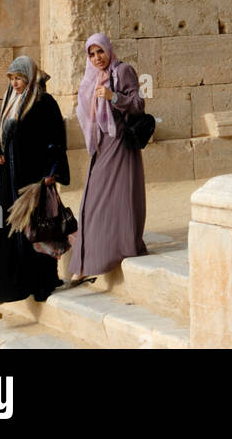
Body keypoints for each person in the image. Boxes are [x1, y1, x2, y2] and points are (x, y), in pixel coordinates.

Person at [0, 56, 68, 316]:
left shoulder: (44, 103)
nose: (15, 83)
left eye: (19, 78)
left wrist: (51, 173)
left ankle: (40, 283)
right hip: (7, 182)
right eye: (11, 78)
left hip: (32, 183)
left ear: (30, 78)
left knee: (35, 233)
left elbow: (56, 141)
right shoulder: (9, 101)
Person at [69, 33, 147, 283]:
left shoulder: (122, 71)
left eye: (100, 51)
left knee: (113, 200)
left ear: (108, 50)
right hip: (101, 143)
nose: (96, 58)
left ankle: (107, 255)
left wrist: (114, 97)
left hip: (119, 141)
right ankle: (86, 261)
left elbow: (139, 103)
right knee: (90, 203)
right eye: (91, 54)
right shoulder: (90, 78)